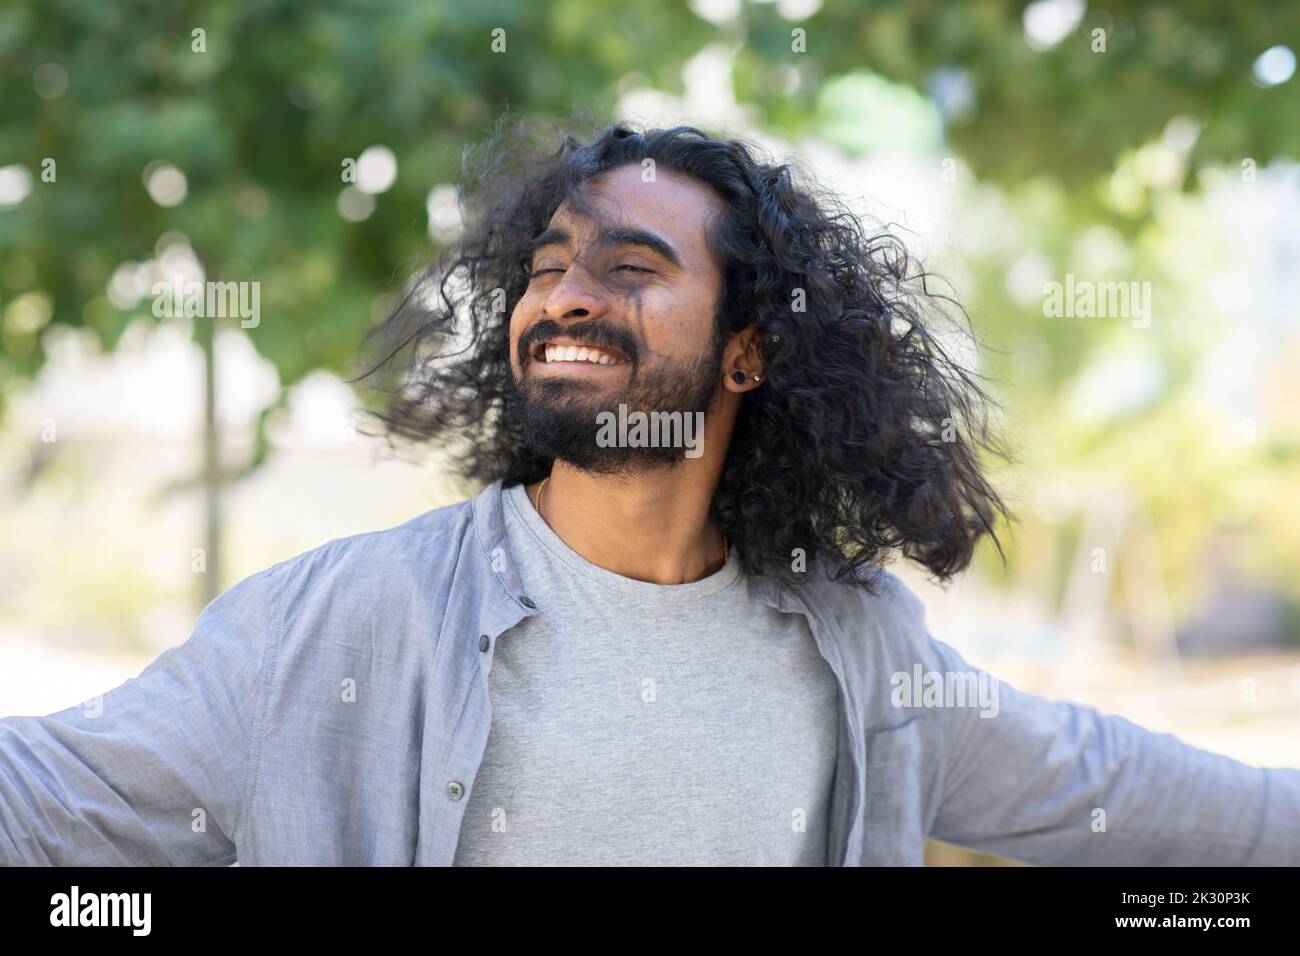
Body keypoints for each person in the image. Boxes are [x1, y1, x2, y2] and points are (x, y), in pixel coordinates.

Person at [2, 118, 1296, 866]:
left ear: (750, 348)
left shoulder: (858, 653)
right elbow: (54, 798)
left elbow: (1106, 786)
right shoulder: (337, 627)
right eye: (550, 265)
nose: (566, 293)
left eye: (630, 266)